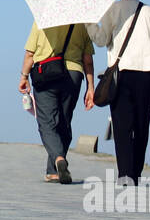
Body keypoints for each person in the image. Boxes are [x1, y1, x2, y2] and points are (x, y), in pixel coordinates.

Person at [86, 0, 150, 185]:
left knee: (122, 124)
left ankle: (125, 174)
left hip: (121, 74)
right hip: (147, 73)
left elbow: (102, 39)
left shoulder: (113, 10)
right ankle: (136, 172)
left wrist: (88, 23)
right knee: (142, 125)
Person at [20, 20, 95, 183]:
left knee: (47, 122)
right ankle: (53, 171)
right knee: (64, 121)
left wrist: (24, 76)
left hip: (46, 72)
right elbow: (87, 59)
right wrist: (90, 87)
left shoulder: (42, 19)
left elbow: (30, 54)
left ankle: (59, 159)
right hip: (73, 75)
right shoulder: (81, 23)